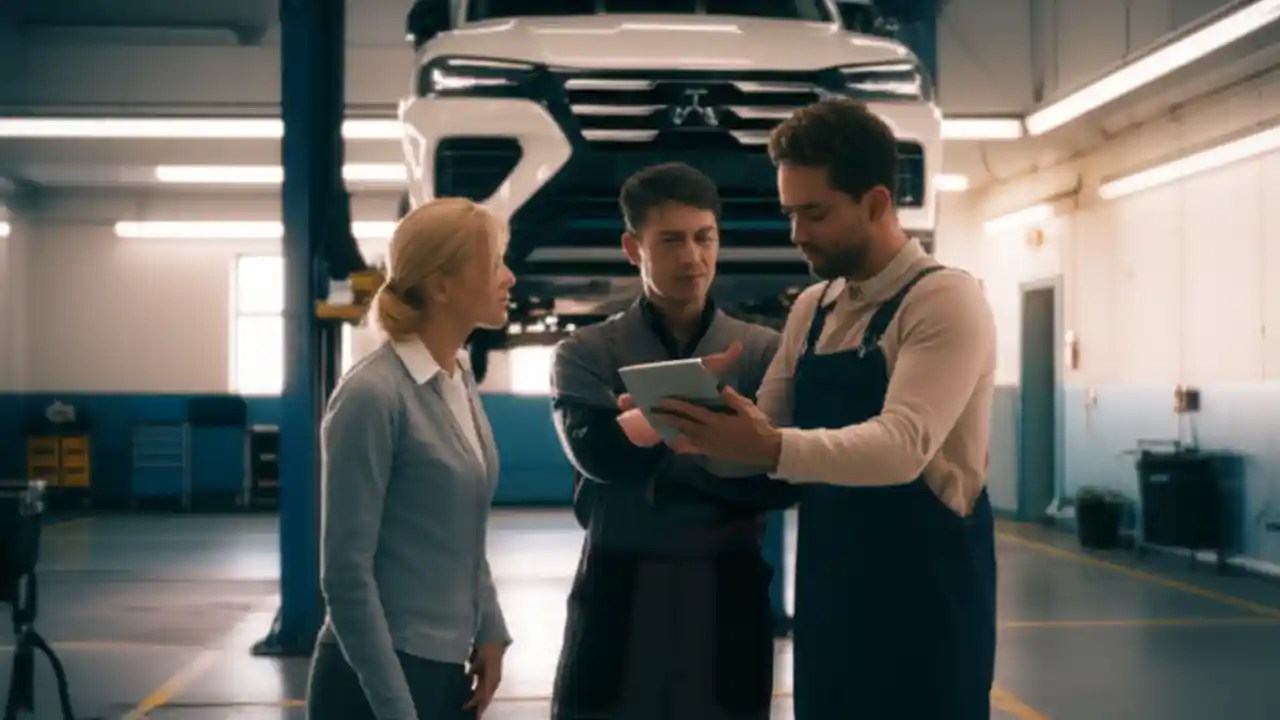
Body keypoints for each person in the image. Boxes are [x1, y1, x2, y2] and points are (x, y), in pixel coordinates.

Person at [648, 98, 999, 719]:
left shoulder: (944, 300)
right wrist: (690, 421)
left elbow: (900, 447)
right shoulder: (814, 308)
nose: (797, 233)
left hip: (927, 598)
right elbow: (766, 430)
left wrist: (769, 447)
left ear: (876, 203)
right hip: (832, 588)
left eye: (815, 213)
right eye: (790, 213)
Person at [548, 162, 797, 720]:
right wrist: (728, 443)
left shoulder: (762, 351)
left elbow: (786, 480)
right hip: (619, 587)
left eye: (704, 237)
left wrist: (649, 426)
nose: (692, 257)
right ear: (633, 248)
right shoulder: (585, 352)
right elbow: (597, 455)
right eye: (671, 240)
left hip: (727, 590)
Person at [307, 197, 516, 720]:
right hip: (375, 678)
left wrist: (489, 626)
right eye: (494, 264)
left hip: (448, 671)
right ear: (440, 285)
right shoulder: (372, 396)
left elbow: (463, 528)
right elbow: (345, 575)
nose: (509, 277)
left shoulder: (458, 377)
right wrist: (395, 705)